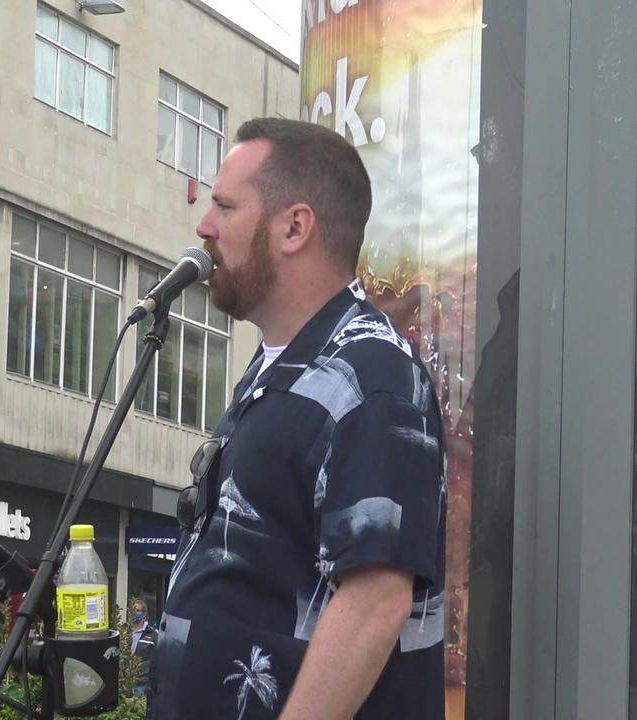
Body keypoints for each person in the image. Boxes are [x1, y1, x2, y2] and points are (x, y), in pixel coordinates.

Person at [147, 118, 447, 719]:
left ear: (294, 227)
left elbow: (375, 599)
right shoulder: (278, 366)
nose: (203, 227)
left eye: (225, 207)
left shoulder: (372, 374)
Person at [128, 599, 157, 699]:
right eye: (132, 610)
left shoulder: (153, 634)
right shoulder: (124, 632)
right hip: (125, 682)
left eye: (137, 610)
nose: (134, 613)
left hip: (142, 682)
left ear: (144, 614)